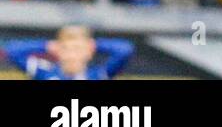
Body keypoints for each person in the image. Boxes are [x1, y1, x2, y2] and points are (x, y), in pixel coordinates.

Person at [3, 25, 133, 80]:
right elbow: (12, 50)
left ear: (88, 52)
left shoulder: (98, 75)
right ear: (57, 51)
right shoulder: (45, 72)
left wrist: (96, 44)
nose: (71, 55)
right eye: (66, 49)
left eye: (77, 49)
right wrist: (46, 46)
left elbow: (125, 50)